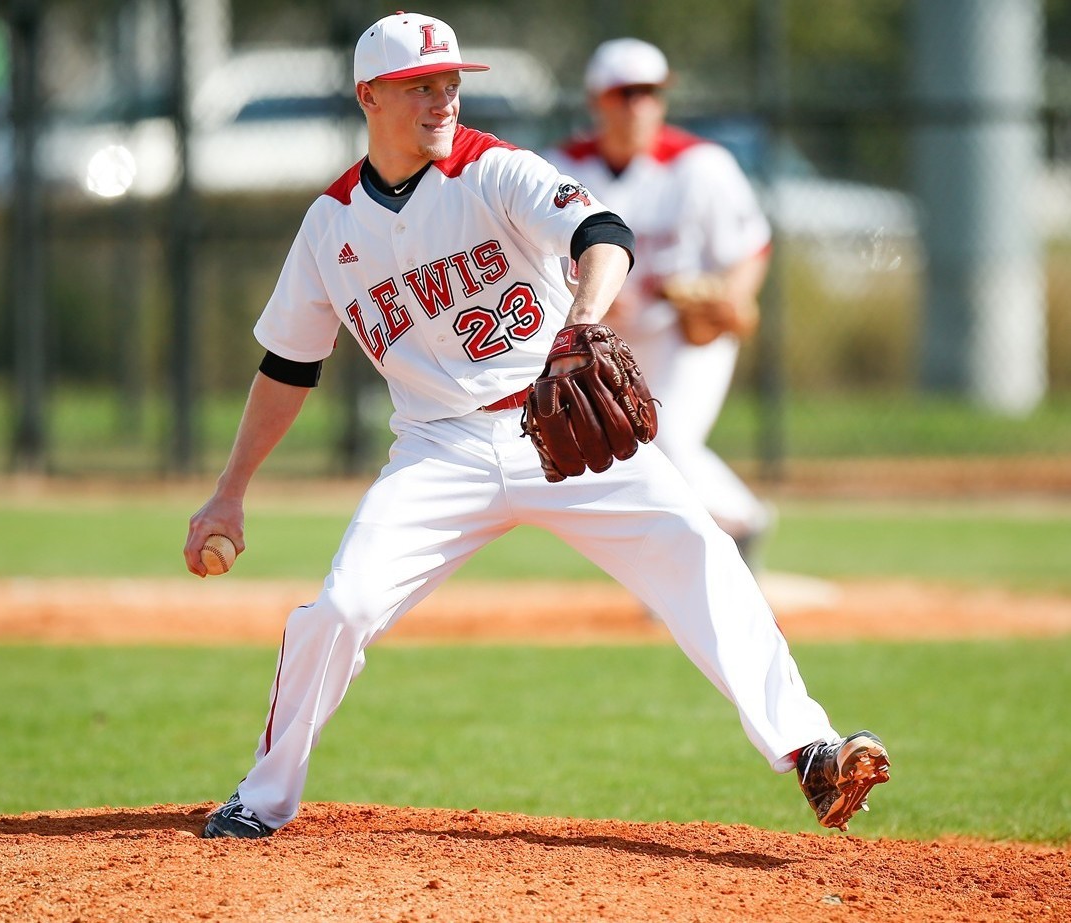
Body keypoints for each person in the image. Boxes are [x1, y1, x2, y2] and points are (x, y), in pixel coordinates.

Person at [183, 11, 888, 840]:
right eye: (420, 86)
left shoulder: (495, 171)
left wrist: (581, 323)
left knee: (697, 550)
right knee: (341, 607)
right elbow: (288, 366)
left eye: (450, 83)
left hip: (555, 420)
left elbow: (602, 234)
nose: (442, 99)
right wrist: (229, 492)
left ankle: (808, 749)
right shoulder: (330, 224)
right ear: (369, 95)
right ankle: (262, 798)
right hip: (436, 449)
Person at [543, 38, 775, 567]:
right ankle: (695, 554)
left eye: (651, 93)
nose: (639, 106)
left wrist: (734, 298)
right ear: (597, 101)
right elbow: (531, 257)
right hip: (606, 338)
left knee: (668, 437)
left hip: (681, 334)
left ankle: (743, 521)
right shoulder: (559, 168)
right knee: (627, 451)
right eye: (626, 94)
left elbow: (750, 247)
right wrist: (583, 301)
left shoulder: (701, 166)